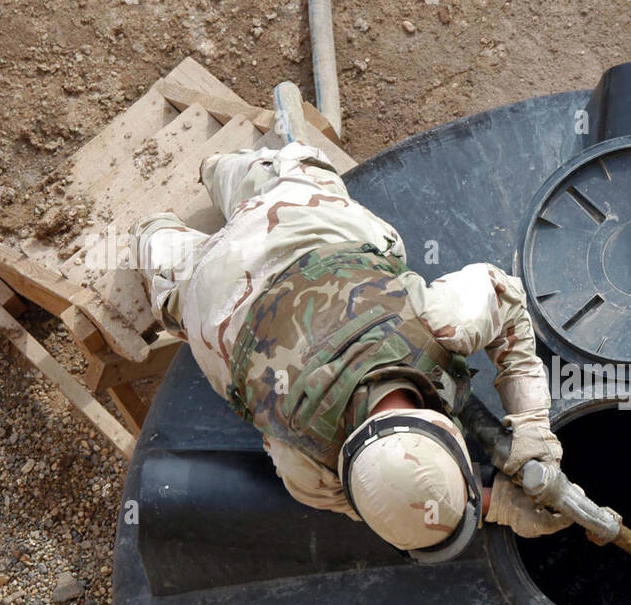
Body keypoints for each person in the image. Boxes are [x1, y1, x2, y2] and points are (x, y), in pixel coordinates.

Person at [132, 140, 568, 562]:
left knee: (278, 182)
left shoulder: (436, 324)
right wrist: (515, 460)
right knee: (188, 255)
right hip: (231, 288)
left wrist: (527, 434)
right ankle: (171, 217)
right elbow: (376, 493)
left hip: (257, 259)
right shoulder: (308, 469)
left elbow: (502, 295)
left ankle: (202, 190)